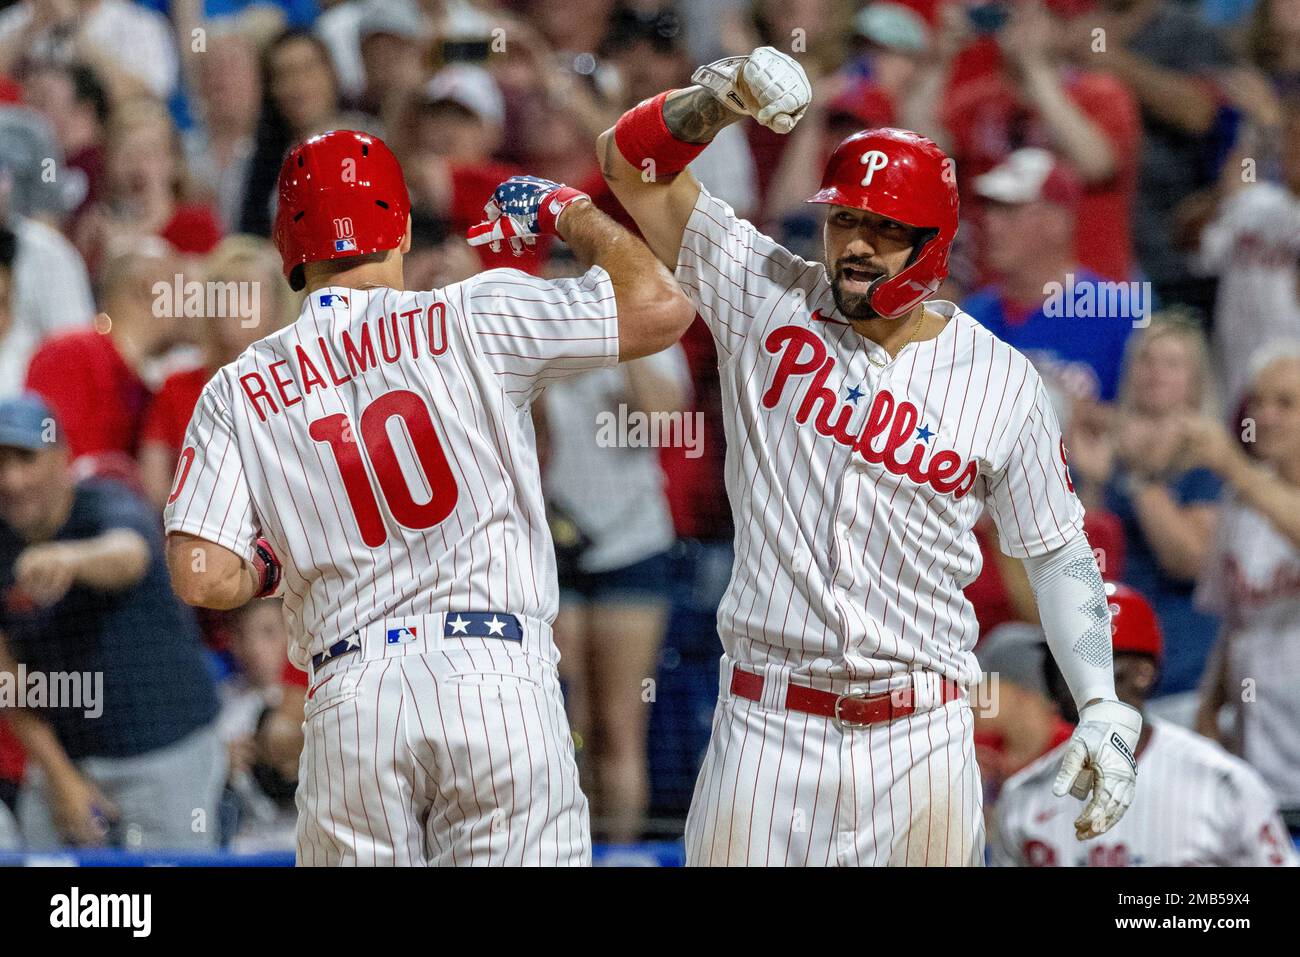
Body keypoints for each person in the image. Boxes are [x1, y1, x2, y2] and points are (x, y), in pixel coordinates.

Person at [602, 46, 1142, 866]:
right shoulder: (764, 292)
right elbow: (630, 165)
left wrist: (1099, 700)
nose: (856, 244)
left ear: (933, 240)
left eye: (885, 229)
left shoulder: (1002, 380)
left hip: (921, 737)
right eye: (844, 219)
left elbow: (1059, 551)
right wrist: (720, 97)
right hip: (766, 723)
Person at [162, 129, 695, 866]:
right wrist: (570, 209)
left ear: (289, 248)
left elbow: (200, 572)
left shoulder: (240, 384)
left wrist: (279, 561)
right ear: (404, 228)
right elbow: (663, 306)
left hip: (354, 699)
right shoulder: (471, 314)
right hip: (494, 680)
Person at [0, 393, 223, 850]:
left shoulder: (106, 504)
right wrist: (61, 776)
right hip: (69, 761)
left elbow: (130, 555)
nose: (11, 480)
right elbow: (6, 678)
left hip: (164, 752)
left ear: (62, 457)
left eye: (26, 459)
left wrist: (70, 558)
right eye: (0, 463)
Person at [994, 583, 1297, 866]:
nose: (1065, 677)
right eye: (1058, 661)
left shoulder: (1222, 784)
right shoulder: (1023, 798)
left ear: (1142, 673)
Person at [542, 344, 690, 842]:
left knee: (618, 728)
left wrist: (619, 340)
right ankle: (570, 851)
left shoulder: (650, 336)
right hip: (553, 545)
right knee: (567, 728)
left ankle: (623, 852)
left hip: (631, 543)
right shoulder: (539, 329)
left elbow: (666, 421)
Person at [1065, 316, 1223, 711]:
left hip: (1183, 672)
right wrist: (1093, 484)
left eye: (1171, 363)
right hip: (1107, 668)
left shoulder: (1211, 458)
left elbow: (1189, 561)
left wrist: (1138, 476)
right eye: (1146, 361)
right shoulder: (1105, 454)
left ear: (1196, 381)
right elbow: (1080, 566)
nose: (1155, 373)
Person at [1184, 344, 1300, 828]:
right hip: (1264, 766)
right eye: (1258, 401)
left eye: (1286, 403)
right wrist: (1210, 710)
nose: (1266, 416)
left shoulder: (1244, 483)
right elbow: (1236, 624)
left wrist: (1233, 465)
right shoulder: (1242, 501)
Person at [962, 148, 1141, 403]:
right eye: (991, 208)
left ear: (1057, 221)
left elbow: (1153, 423)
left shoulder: (1117, 315)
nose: (991, 224)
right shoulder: (970, 318)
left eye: (1009, 210)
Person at [138, 235, 288, 511]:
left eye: (247, 291)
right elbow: (155, 492)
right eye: (222, 291)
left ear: (276, 307)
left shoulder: (296, 385)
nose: (231, 304)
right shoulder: (176, 388)